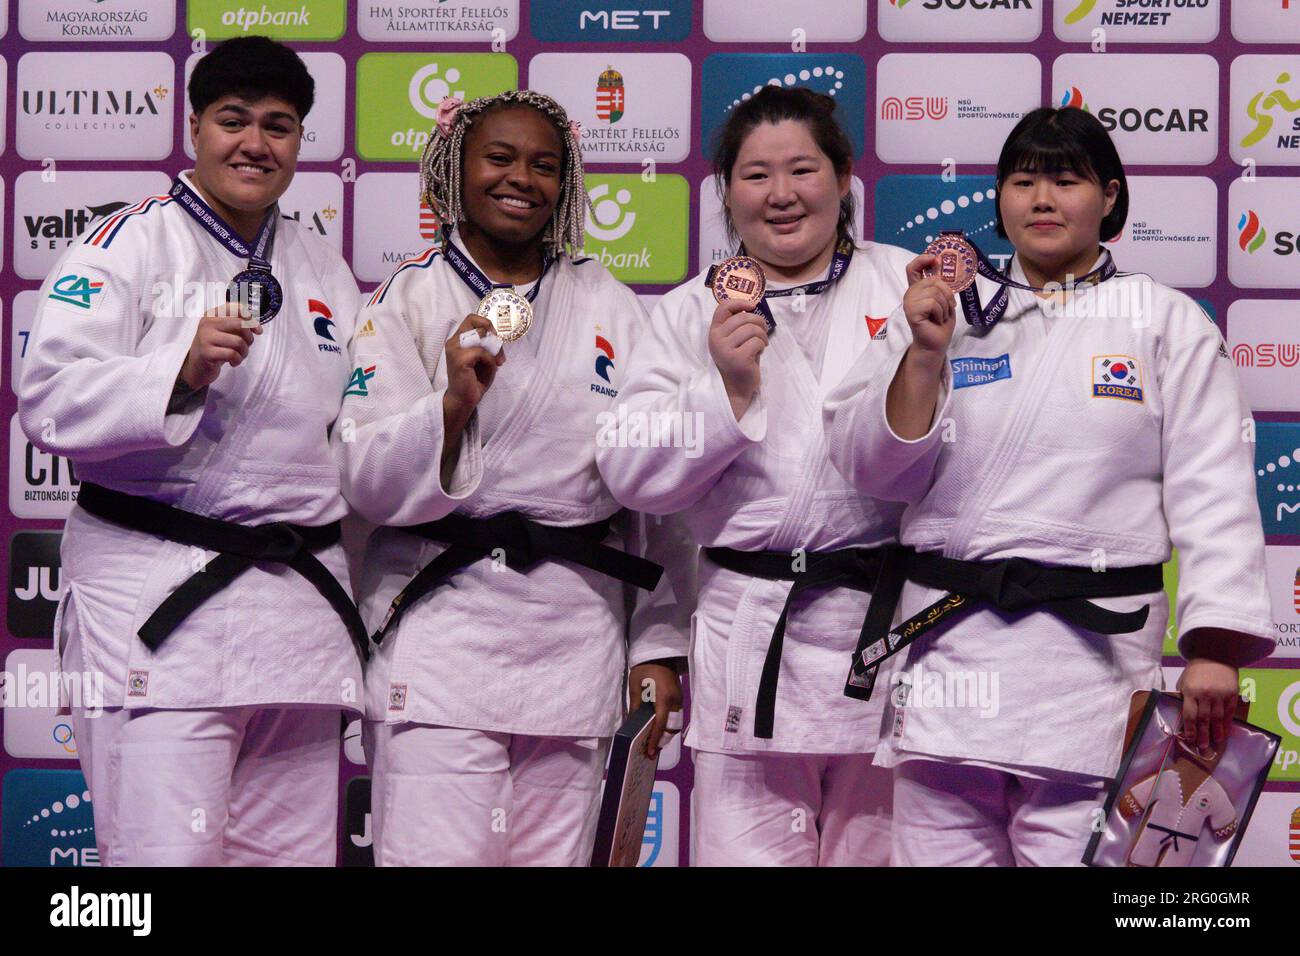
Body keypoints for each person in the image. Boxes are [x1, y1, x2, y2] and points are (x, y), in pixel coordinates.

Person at [823, 106, 1275, 867]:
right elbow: (870, 468)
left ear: (1110, 197)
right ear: (998, 200)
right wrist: (925, 356)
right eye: (1023, 180)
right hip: (950, 665)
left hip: (1088, 671)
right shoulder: (942, 309)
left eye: (1065, 180)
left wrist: (1215, 647)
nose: (1041, 199)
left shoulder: (1166, 322)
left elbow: (1216, 490)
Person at [18, 36, 367, 865]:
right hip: (161, 612)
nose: (256, 143)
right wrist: (174, 367)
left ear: (299, 142)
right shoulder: (125, 246)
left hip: (297, 622)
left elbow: (355, 428)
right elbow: (50, 401)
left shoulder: (321, 263)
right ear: (196, 126)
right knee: (157, 861)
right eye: (234, 120)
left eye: (279, 126)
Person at [335, 90, 690, 867]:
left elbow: (656, 501)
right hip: (443, 633)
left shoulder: (612, 305)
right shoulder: (410, 298)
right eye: (499, 158)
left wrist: (657, 645)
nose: (521, 179)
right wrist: (451, 406)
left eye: (545, 165)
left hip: (575, 639)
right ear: (454, 170)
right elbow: (363, 475)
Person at [596, 86, 913, 866]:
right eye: (755, 176)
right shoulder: (684, 314)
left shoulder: (909, 289)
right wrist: (727, 389)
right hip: (749, 633)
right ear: (725, 192)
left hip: (881, 635)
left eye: (803, 170)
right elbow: (630, 471)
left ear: (844, 178)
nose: (780, 196)